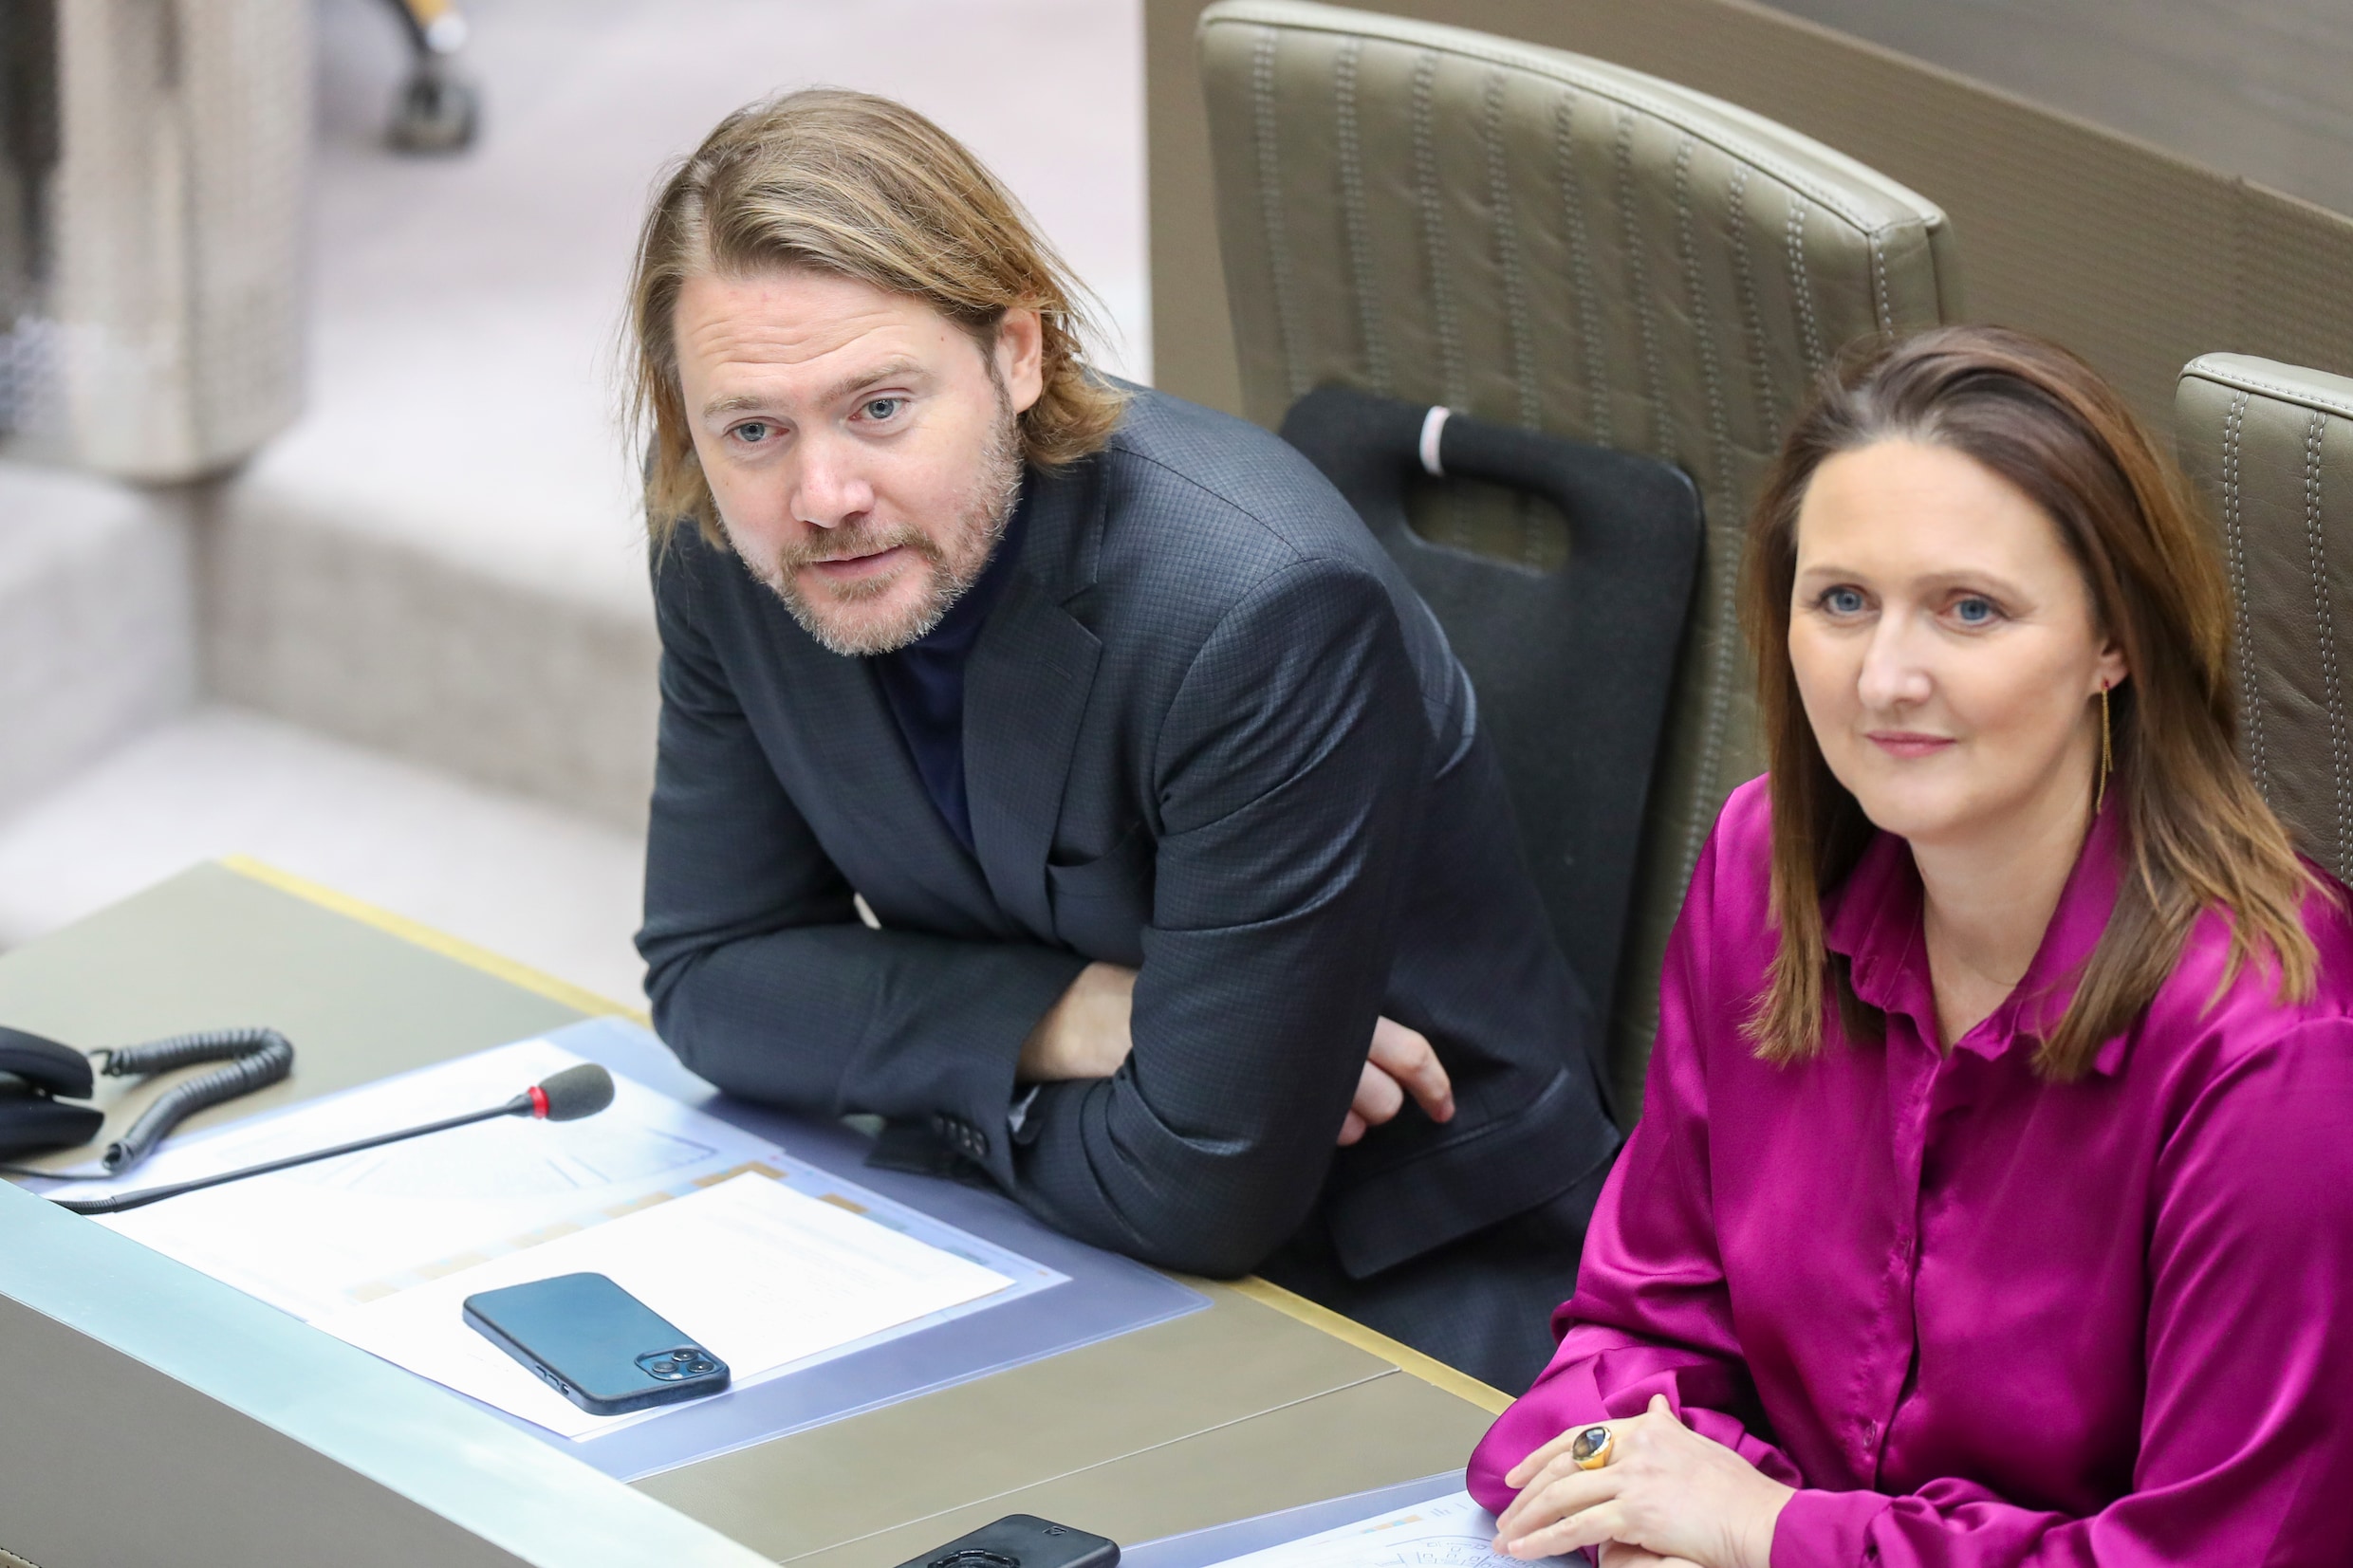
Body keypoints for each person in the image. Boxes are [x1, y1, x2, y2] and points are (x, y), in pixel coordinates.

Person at [625, 89, 1620, 1389]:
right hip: (1040, 1238)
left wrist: (931, 1077)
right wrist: (1061, 1018)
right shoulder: (724, 550)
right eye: (751, 427)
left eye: (879, 407)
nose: (822, 497)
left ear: (1021, 354)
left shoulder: (1254, 608)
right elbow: (710, 979)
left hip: (1393, 1280)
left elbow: (1204, 1192)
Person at [1471, 326, 2353, 1565]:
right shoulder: (1760, 870)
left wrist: (1775, 1529)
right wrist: (1684, 1512)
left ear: (2116, 642)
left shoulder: (2278, 1046)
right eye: (1842, 600)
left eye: (1969, 609)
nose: (1887, 676)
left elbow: (2222, 1555)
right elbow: (1632, 1331)